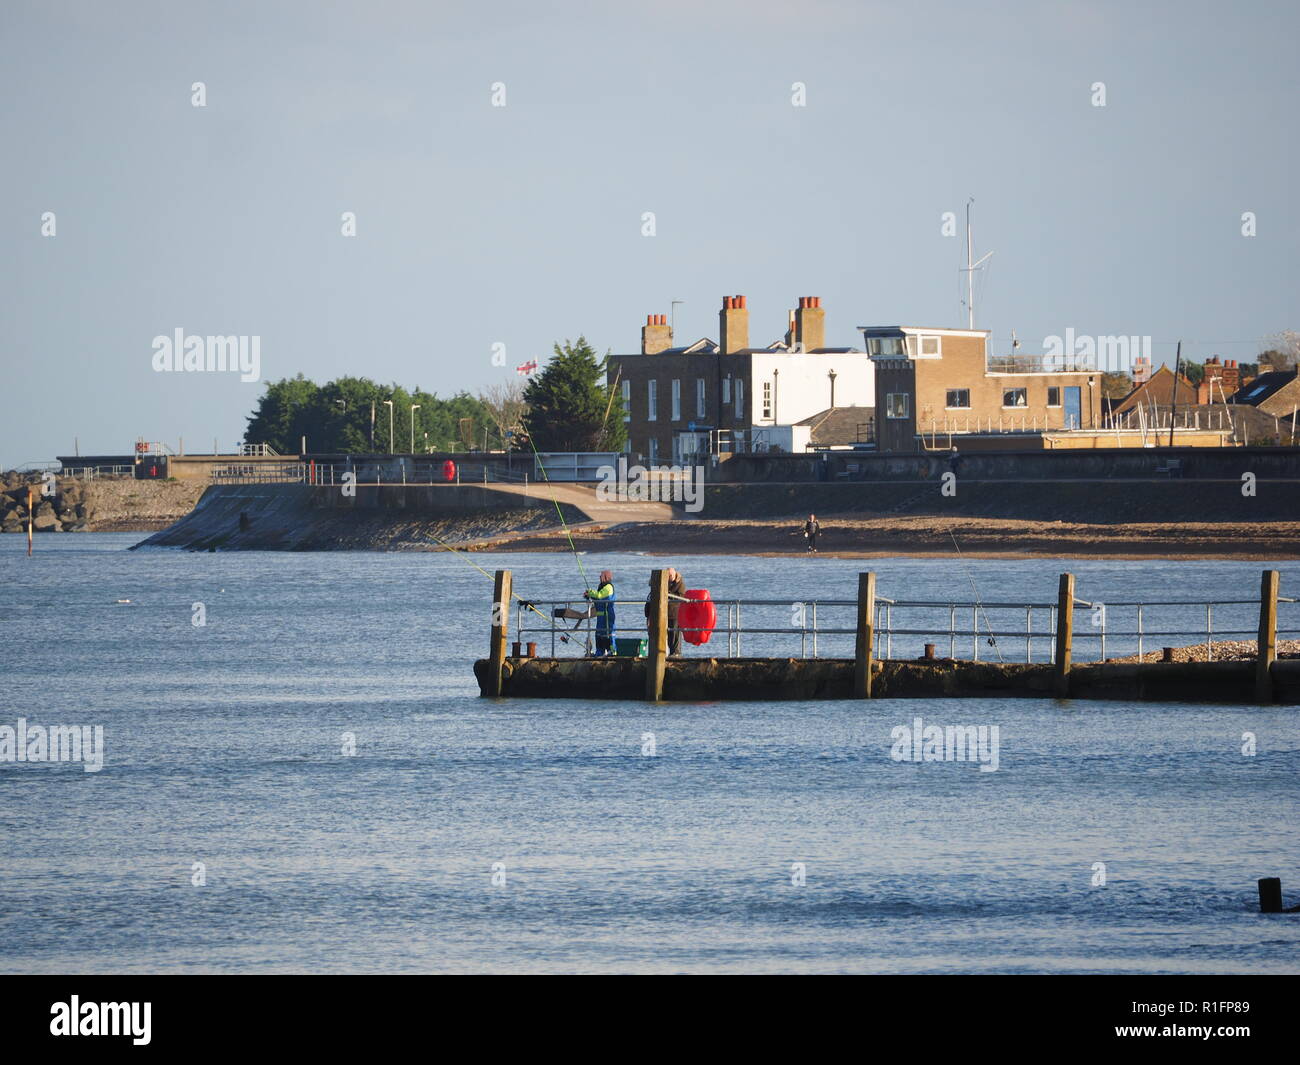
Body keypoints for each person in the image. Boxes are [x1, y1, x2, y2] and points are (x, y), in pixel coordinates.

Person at [646, 567, 687, 654]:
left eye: (671, 575)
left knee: (674, 636)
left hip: (674, 614)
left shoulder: (680, 584)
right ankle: (660, 653)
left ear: (675, 574)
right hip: (661, 614)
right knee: (661, 636)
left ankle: (676, 653)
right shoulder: (662, 582)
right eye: (668, 575)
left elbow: (681, 597)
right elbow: (651, 596)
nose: (669, 577)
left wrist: (666, 594)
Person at [584, 569, 616, 656]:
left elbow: (600, 595)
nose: (599, 577)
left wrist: (590, 592)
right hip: (600, 617)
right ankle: (599, 652)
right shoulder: (601, 587)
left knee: (608, 634)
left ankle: (612, 652)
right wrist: (588, 596)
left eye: (601, 576)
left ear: (606, 577)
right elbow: (597, 598)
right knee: (599, 635)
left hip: (607, 615)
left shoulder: (608, 587)